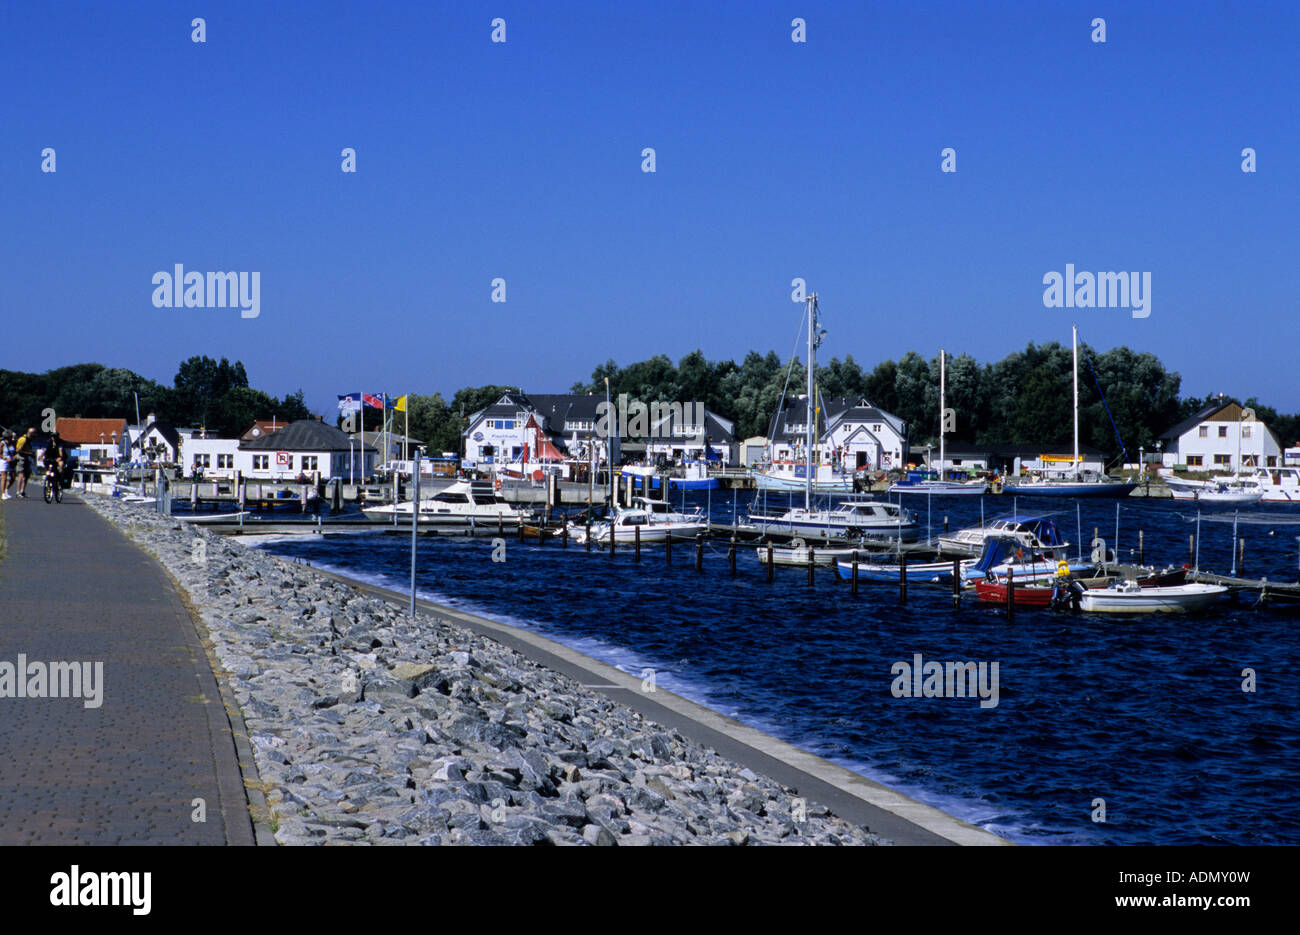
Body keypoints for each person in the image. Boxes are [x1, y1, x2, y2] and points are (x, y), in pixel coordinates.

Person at [13, 428, 36, 497]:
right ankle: (18, 491)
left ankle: (22, 491)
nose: (35, 435)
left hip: (26, 458)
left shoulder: (29, 440)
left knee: (27, 474)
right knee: (21, 474)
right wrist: (29, 453)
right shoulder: (23, 439)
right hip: (21, 458)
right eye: (34, 433)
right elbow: (18, 450)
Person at [0, 431, 15, 499]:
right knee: (4, 477)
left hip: (11, 461)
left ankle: (6, 490)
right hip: (4, 461)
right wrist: (5, 458)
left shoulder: (12, 443)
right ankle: (3, 493)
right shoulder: (2, 443)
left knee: (13, 477)